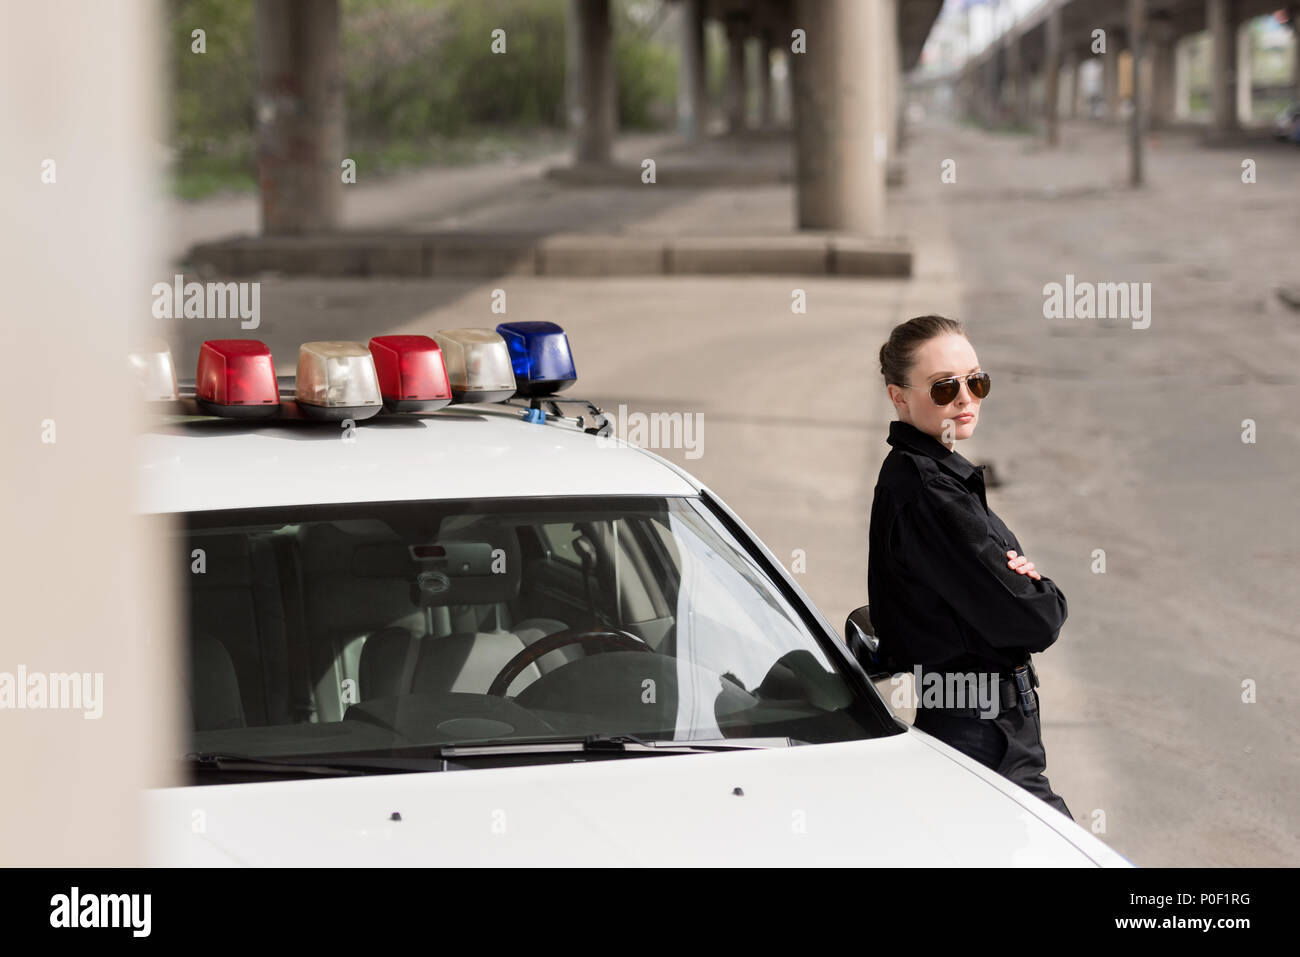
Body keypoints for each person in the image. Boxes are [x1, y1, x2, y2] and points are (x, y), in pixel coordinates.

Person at [867, 314, 1073, 819]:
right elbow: (1035, 619)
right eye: (943, 388)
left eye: (976, 381)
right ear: (899, 397)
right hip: (984, 734)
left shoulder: (929, 477)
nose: (965, 398)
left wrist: (1015, 582)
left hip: (978, 725)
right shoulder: (934, 495)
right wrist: (1038, 587)